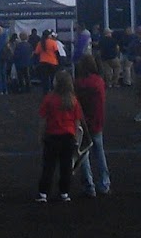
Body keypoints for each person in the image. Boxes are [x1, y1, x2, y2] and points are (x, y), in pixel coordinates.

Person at [36, 70, 84, 203]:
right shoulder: (73, 100)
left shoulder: (49, 99)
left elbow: (43, 120)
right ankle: (64, 192)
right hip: (68, 136)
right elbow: (77, 121)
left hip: (52, 136)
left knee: (48, 166)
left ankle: (44, 193)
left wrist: (40, 135)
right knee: (66, 166)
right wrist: (76, 137)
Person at [74, 54, 110, 195]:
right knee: (99, 152)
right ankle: (104, 183)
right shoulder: (99, 81)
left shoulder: (78, 84)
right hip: (97, 121)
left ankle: (89, 186)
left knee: (83, 154)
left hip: (83, 122)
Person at [34, 31, 60, 96]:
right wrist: (59, 62)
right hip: (53, 62)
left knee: (45, 79)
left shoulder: (40, 43)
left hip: (43, 62)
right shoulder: (53, 42)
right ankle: (54, 92)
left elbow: (36, 53)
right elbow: (57, 53)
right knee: (52, 78)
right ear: (49, 35)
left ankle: (45, 94)